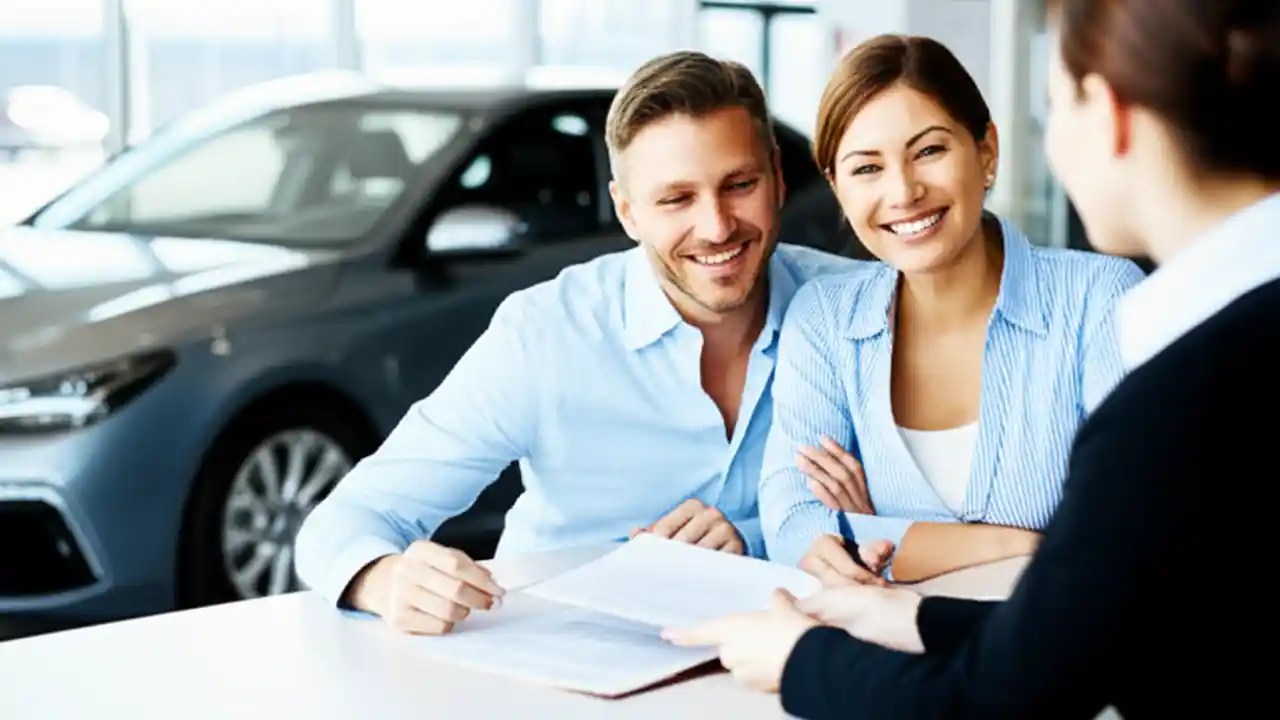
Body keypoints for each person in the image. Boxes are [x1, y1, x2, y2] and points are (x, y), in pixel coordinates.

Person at [666, 1, 1279, 716]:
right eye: (866, 166)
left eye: (1055, 105)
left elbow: (1021, 680)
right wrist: (924, 608)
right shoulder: (1212, 347)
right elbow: (1085, 616)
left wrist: (804, 657)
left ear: (1104, 115)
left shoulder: (1170, 375)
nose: (902, 190)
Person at [293, 51, 865, 635]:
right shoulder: (547, 334)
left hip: (780, 666)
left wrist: (755, 535)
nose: (717, 226)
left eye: (739, 184)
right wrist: (384, 579)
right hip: (562, 660)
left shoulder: (856, 309)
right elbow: (343, 521)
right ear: (627, 211)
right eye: (676, 200)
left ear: (776, 175)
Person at [757, 34, 1143, 585]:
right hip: (889, 656)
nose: (904, 191)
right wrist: (1021, 544)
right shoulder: (825, 321)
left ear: (986, 150)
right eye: (867, 168)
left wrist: (879, 530)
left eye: (929, 151)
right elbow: (795, 526)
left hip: (1062, 656)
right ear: (836, 188)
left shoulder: (1099, 299)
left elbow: (1127, 522)